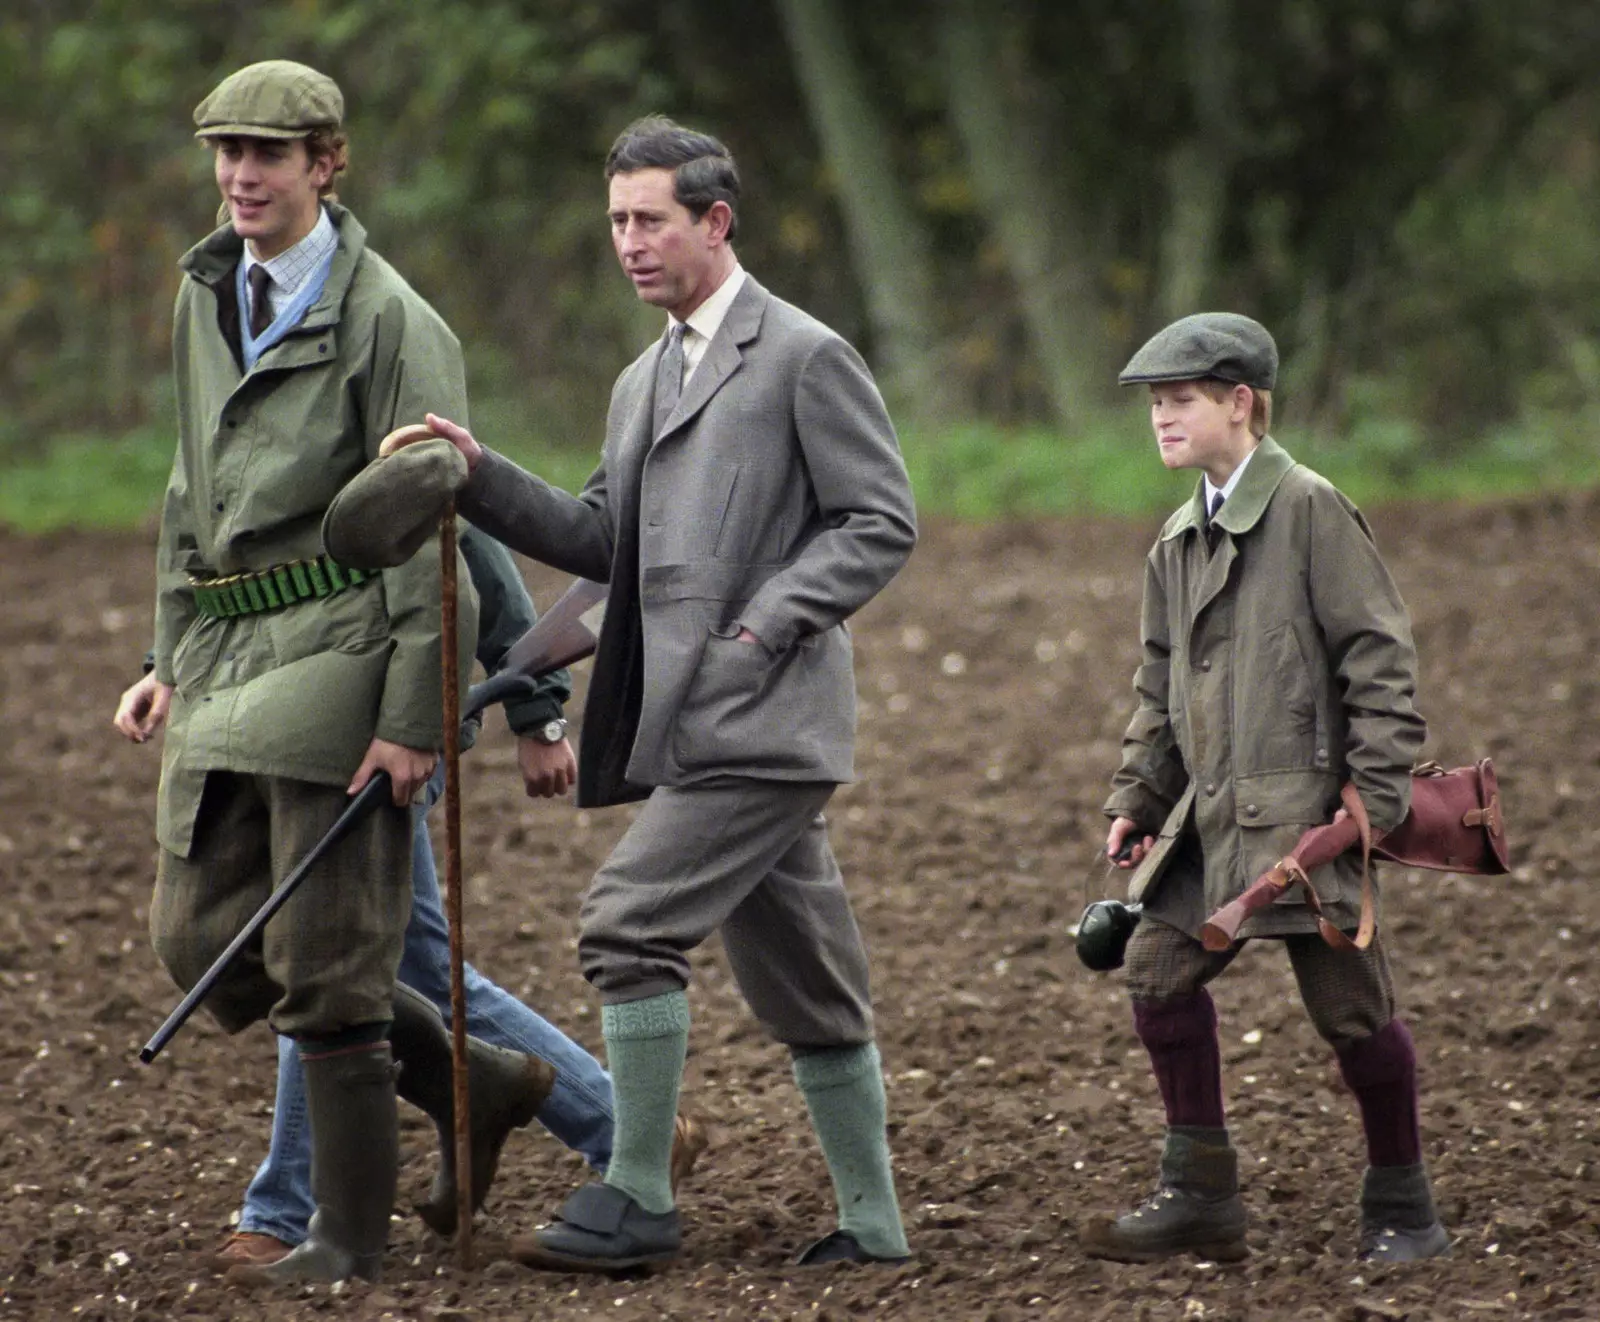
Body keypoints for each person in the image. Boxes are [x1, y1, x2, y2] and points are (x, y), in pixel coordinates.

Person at [407, 116, 918, 1272]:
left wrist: (760, 625)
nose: (629, 243)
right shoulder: (641, 380)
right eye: (616, 223)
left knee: (627, 922)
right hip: (683, 724)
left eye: (650, 220)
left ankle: (636, 1189)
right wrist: (476, 474)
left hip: (764, 718)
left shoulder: (802, 354)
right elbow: (600, 539)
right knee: (810, 982)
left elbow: (880, 520)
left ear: (714, 222)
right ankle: (875, 1227)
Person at [121, 58, 531, 1287]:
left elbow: (428, 525)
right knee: (193, 936)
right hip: (231, 652)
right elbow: (191, 488)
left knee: (335, 958)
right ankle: (478, 1079)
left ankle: (345, 1240)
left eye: (270, 154)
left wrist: (416, 720)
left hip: (347, 659)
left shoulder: (395, 321)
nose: (242, 175)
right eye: (226, 153)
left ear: (326, 164)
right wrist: (164, 651)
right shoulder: (206, 294)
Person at [117, 527, 650, 1270]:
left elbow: (468, 556)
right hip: (269, 725)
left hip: (380, 734)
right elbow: (211, 558)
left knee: (324, 953)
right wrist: (164, 665)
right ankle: (624, 1137)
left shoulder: (365, 416)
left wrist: (538, 710)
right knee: (387, 964)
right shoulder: (228, 435)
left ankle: (285, 1208)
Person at [1082, 312, 1448, 1264]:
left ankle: (1405, 1205)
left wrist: (1375, 801)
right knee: (1158, 979)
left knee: (1354, 1018)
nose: (1160, 419)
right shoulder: (1176, 537)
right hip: (1208, 825)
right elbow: (1159, 688)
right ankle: (1201, 1195)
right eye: (1154, 405)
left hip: (1310, 828)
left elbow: (1380, 660)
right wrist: (1137, 799)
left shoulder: (1312, 509)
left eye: (1180, 402)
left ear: (1240, 404)